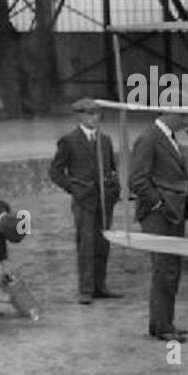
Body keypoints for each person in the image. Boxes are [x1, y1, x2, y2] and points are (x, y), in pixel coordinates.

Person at [129, 110, 188, 342]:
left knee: (171, 269)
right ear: (169, 112)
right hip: (158, 216)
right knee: (164, 269)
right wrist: (158, 203)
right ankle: (163, 327)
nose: (187, 121)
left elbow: (179, 181)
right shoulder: (149, 138)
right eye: (184, 116)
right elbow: (137, 179)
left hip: (172, 214)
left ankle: (162, 323)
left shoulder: (168, 138)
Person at [49, 97, 121, 303]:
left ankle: (101, 286)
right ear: (79, 115)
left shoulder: (105, 140)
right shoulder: (69, 140)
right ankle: (86, 290)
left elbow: (112, 169)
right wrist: (73, 188)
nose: (94, 117)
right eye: (89, 113)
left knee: (103, 243)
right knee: (86, 244)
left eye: (97, 113)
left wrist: (114, 190)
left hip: (105, 201)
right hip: (84, 201)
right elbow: (55, 171)